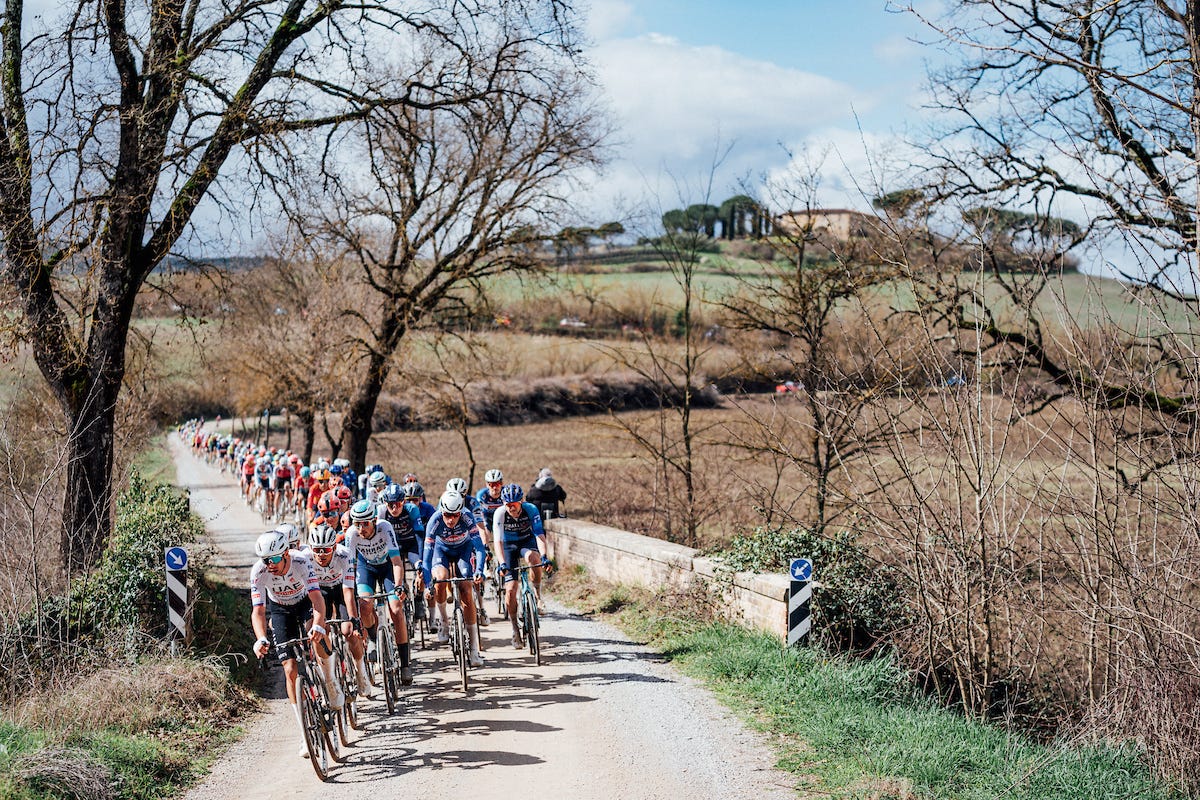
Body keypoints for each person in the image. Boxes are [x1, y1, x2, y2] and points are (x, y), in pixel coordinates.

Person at [249, 530, 340, 759]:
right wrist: (260, 638)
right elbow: (258, 611)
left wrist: (318, 625)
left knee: (317, 633)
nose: (271, 565)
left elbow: (318, 600)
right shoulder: (259, 572)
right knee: (289, 670)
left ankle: (329, 680)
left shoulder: (302, 562)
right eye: (266, 560)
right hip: (280, 610)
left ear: (286, 553)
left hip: (304, 603)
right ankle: (303, 732)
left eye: (276, 559)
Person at [344, 499, 414, 685]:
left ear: (374, 520)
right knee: (365, 605)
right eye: (357, 524)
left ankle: (405, 663)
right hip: (366, 568)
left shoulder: (385, 527)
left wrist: (399, 585)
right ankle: (374, 639)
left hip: (388, 568)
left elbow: (397, 562)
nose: (361, 528)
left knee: (397, 609)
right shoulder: (351, 534)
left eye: (365, 523)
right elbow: (349, 568)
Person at [418, 491, 487, 666]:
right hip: (442, 551)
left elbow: (479, 547)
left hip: (463, 549)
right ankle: (444, 621)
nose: (450, 520)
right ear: (442, 512)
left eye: (455, 515)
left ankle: (473, 649)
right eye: (447, 515)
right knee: (440, 579)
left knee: (466, 588)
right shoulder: (435, 520)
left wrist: (479, 570)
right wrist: (428, 585)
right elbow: (426, 557)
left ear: (460, 512)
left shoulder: (467, 517)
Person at [307, 523, 372, 698]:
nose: (321, 555)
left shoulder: (344, 555)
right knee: (322, 630)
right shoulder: (306, 558)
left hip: (341, 589)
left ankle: (361, 670)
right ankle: (330, 674)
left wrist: (353, 619)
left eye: (326, 549)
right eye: (317, 550)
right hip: (320, 592)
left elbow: (348, 591)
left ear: (334, 547)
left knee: (348, 631)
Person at [492, 484, 553, 648]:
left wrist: (545, 557)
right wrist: (502, 563)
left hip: (526, 541)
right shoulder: (500, 513)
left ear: (521, 501)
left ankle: (538, 596)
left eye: (514, 503)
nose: (511, 507)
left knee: (534, 559)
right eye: (507, 504)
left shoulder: (531, 509)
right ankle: (515, 630)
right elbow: (497, 541)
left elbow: (539, 534)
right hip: (508, 546)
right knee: (511, 589)